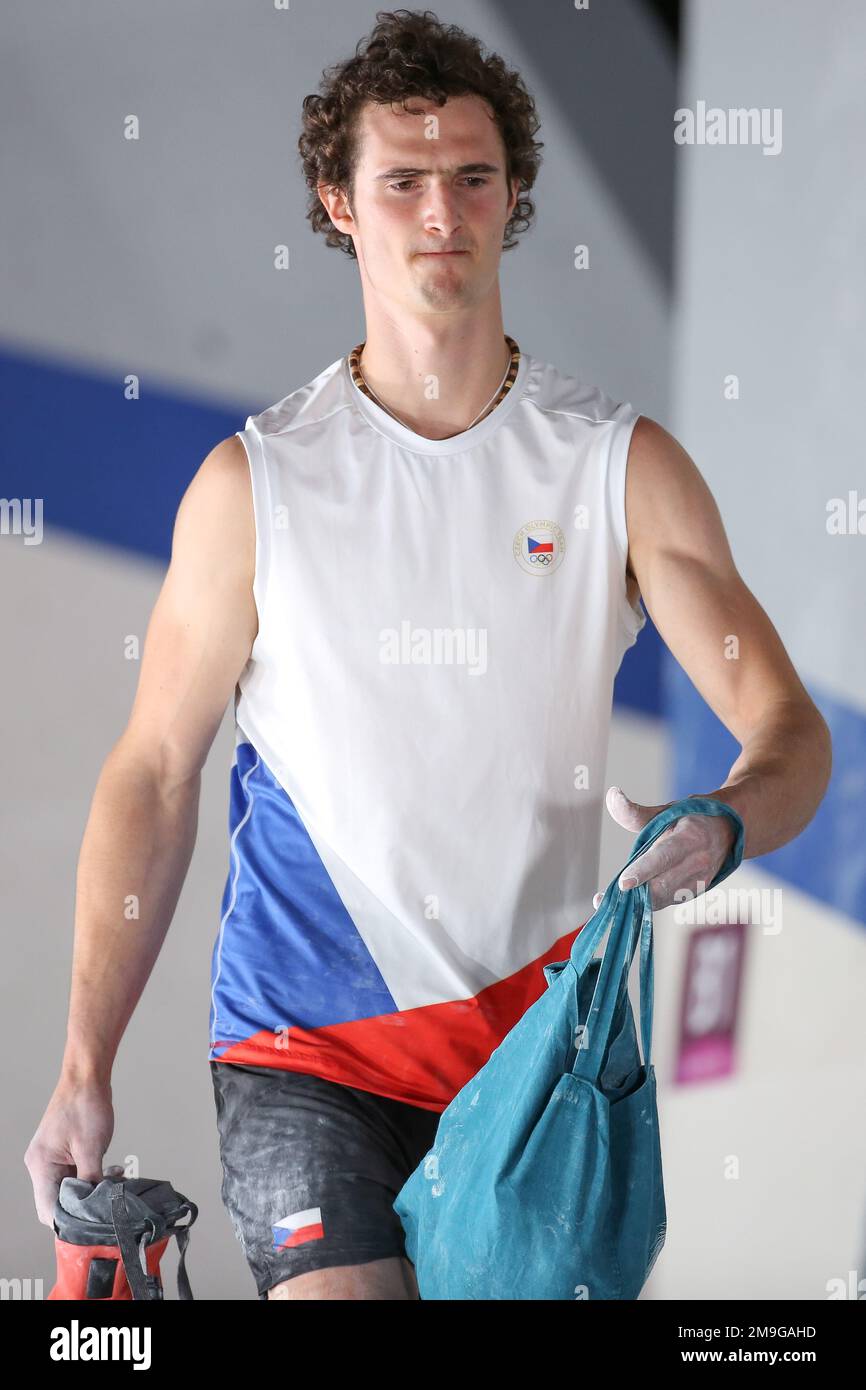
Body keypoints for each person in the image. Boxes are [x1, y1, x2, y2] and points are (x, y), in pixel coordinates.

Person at [24, 10, 831, 1301]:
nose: (440, 209)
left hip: (540, 1053)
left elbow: (791, 733)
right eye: (401, 179)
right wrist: (81, 1068)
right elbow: (155, 777)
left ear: (511, 195)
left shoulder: (618, 468)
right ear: (338, 203)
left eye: (471, 174)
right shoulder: (257, 483)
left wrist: (727, 823)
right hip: (307, 1046)